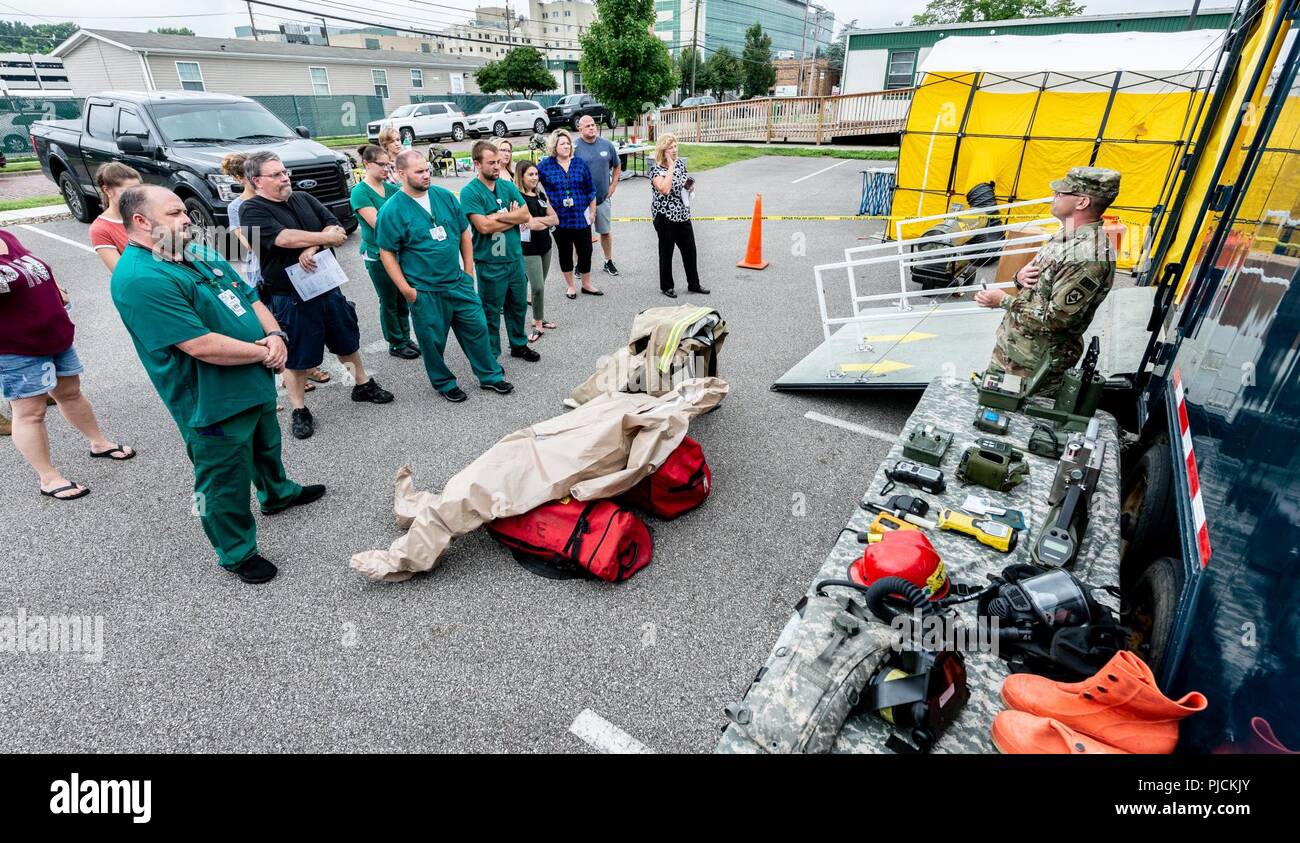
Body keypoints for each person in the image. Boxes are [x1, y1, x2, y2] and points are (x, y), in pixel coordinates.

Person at [111, 185, 321, 584]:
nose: (186, 217)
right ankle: (236, 552)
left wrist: (277, 336)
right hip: (210, 399)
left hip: (252, 379)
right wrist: (264, 352)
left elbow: (250, 296)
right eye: (174, 213)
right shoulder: (140, 278)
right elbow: (199, 345)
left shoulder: (198, 249)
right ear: (141, 221)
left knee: (266, 445)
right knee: (222, 479)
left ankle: (277, 494)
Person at [239, 150, 393, 441]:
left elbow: (334, 225)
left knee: (346, 341)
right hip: (289, 296)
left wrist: (311, 248)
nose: (285, 178)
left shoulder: (303, 198)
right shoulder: (252, 210)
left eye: (285, 172)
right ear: (257, 181)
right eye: (276, 175)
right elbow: (282, 238)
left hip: (327, 286)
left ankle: (361, 384)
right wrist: (323, 240)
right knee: (297, 356)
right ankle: (299, 409)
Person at [1, 228, 135, 499]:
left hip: (54, 336)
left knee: (70, 393)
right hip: (15, 348)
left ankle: (98, 443)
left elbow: (32, 271)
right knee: (30, 412)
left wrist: (54, 287)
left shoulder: (5, 236)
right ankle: (48, 478)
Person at [376, 150, 514, 402]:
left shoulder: (444, 196)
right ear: (401, 173)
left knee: (478, 328)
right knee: (432, 340)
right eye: (419, 171)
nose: (427, 175)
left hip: (457, 282)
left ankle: (490, 376)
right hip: (425, 290)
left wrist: (468, 272)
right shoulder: (392, 210)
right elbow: (387, 253)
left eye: (427, 169)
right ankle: (443, 382)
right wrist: (407, 290)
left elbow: (464, 232)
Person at [974, 166, 1121, 394]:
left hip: (1034, 364)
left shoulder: (1087, 255)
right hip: (1017, 350)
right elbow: (1044, 284)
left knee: (1014, 417)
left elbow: (1057, 319)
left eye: (1061, 193)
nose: (1054, 197)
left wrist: (1003, 300)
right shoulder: (1068, 236)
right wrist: (1020, 278)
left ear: (1081, 202)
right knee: (993, 405)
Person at [461, 140, 540, 362]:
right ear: (477, 163)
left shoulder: (507, 185)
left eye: (498, 162)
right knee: (491, 312)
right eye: (491, 163)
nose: (497, 166)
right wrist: (510, 218)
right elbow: (483, 227)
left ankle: (518, 344)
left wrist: (496, 216)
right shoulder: (470, 192)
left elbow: (525, 215)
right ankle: (491, 355)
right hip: (491, 263)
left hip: (514, 259)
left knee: (517, 308)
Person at [350, 144, 421, 360]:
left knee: (402, 296)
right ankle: (396, 342)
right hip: (377, 254)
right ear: (367, 165)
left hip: (399, 253)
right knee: (389, 299)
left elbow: (409, 214)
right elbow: (378, 223)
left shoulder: (391, 189)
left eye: (388, 164)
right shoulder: (360, 192)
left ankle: (405, 337)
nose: (386, 169)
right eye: (381, 165)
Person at [537, 129, 600, 299]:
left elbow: (590, 190)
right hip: (560, 219)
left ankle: (586, 284)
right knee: (565, 252)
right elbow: (532, 183)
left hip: (581, 217)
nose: (566, 146)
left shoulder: (580, 164)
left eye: (568, 143)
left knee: (586, 250)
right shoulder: (545, 166)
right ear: (554, 146)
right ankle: (571, 286)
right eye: (562, 143)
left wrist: (593, 212)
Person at [650, 133, 709, 298]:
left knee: (690, 250)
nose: (674, 150)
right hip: (665, 216)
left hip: (682, 214)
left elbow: (683, 184)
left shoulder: (681, 164)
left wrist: (690, 188)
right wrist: (670, 167)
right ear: (663, 150)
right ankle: (666, 286)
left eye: (675, 146)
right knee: (666, 252)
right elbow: (665, 189)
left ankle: (694, 284)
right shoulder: (656, 169)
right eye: (670, 147)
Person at [574, 114, 622, 277]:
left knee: (605, 232)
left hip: (601, 199)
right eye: (587, 126)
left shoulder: (606, 145)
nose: (591, 128)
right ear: (580, 129)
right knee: (580, 236)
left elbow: (617, 165)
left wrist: (613, 185)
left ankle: (608, 261)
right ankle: (579, 264)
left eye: (593, 125)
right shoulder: (574, 147)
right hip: (581, 202)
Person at [516, 159, 559, 341]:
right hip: (529, 249)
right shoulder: (518, 197)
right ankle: (538, 326)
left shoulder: (540, 194)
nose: (535, 178)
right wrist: (542, 222)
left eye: (536, 174)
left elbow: (555, 219)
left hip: (546, 246)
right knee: (537, 287)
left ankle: (537, 318)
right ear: (521, 176)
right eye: (530, 175)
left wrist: (539, 222)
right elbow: (529, 223)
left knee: (540, 287)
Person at [88, 162, 142, 272]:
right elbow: (121, 272)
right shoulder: (100, 229)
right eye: (128, 192)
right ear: (107, 190)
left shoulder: (145, 215)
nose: (135, 196)